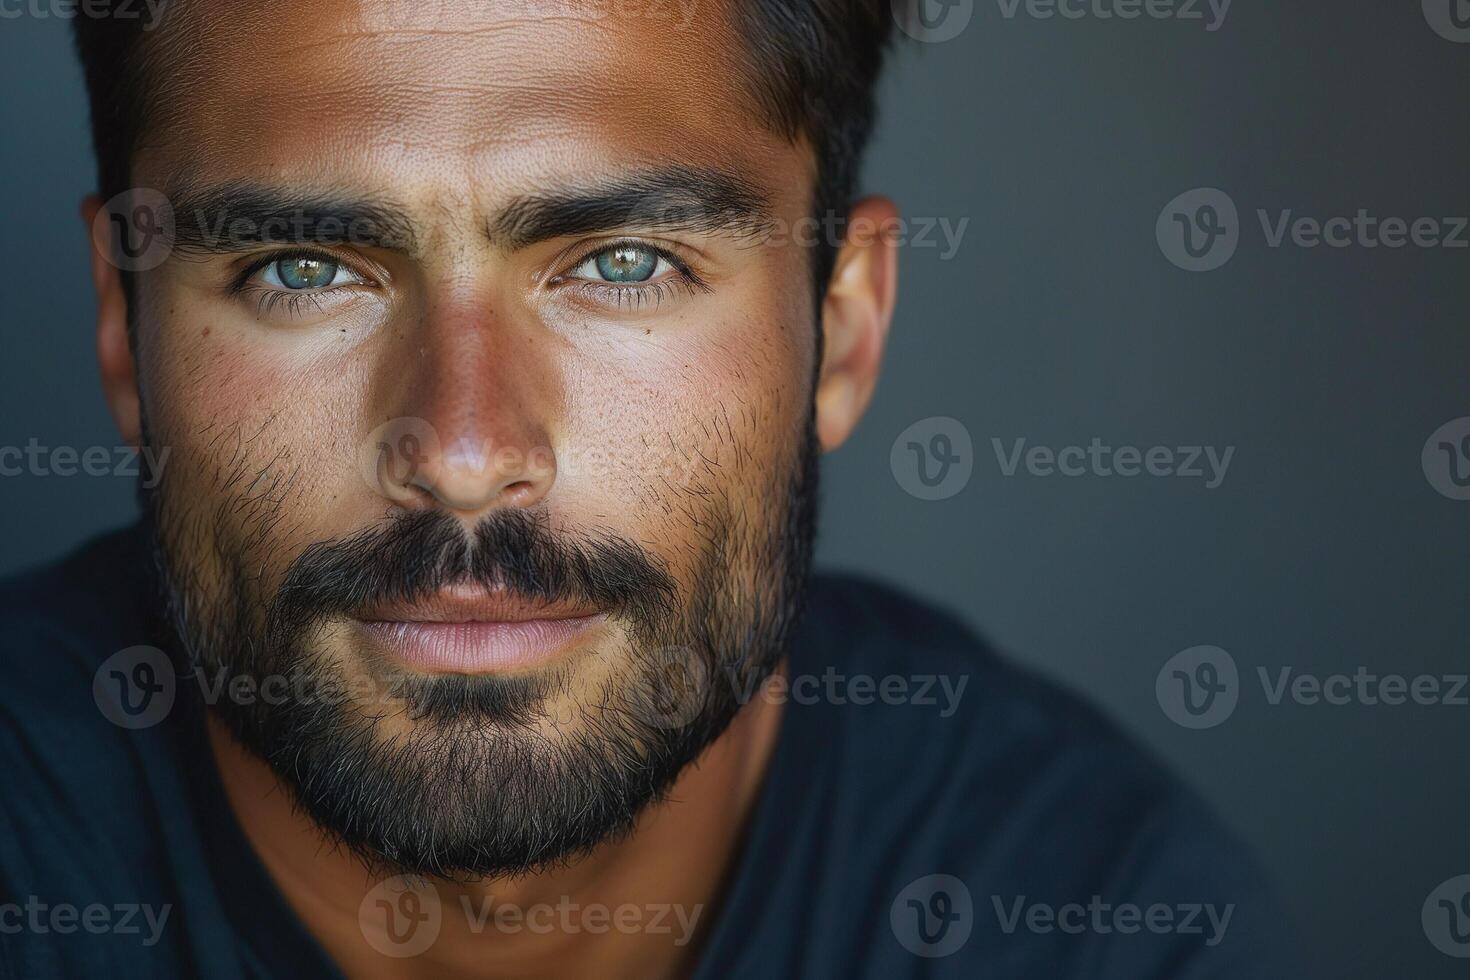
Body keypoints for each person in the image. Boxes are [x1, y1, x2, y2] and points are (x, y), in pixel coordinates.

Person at [0, 1, 1298, 976]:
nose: (460, 453)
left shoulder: (1095, 922)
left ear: (840, 332)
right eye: (301, 270)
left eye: (623, 262)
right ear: (125, 326)